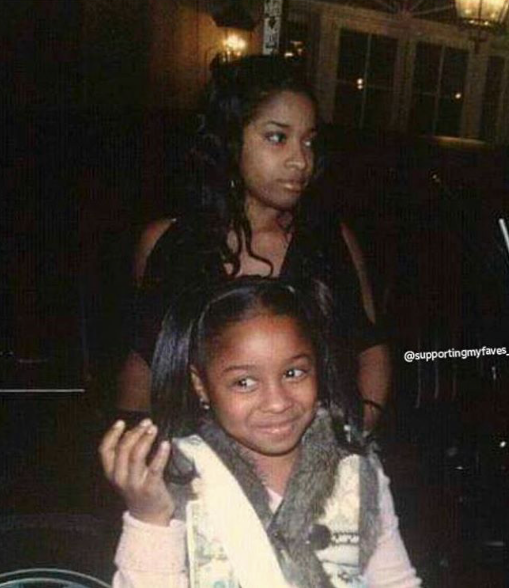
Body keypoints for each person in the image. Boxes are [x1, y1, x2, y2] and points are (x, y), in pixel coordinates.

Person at [116, 55, 390, 432]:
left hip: (312, 444)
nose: (301, 160)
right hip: (199, 450)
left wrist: (350, 434)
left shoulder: (329, 239)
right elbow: (146, 363)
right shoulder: (168, 243)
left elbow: (370, 350)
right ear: (229, 141)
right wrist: (138, 447)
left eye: (309, 141)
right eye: (277, 137)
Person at [100, 277, 420, 587]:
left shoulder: (356, 471)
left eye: (293, 373)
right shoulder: (176, 479)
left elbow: (395, 581)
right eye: (244, 382)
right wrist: (149, 519)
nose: (277, 402)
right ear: (201, 384)